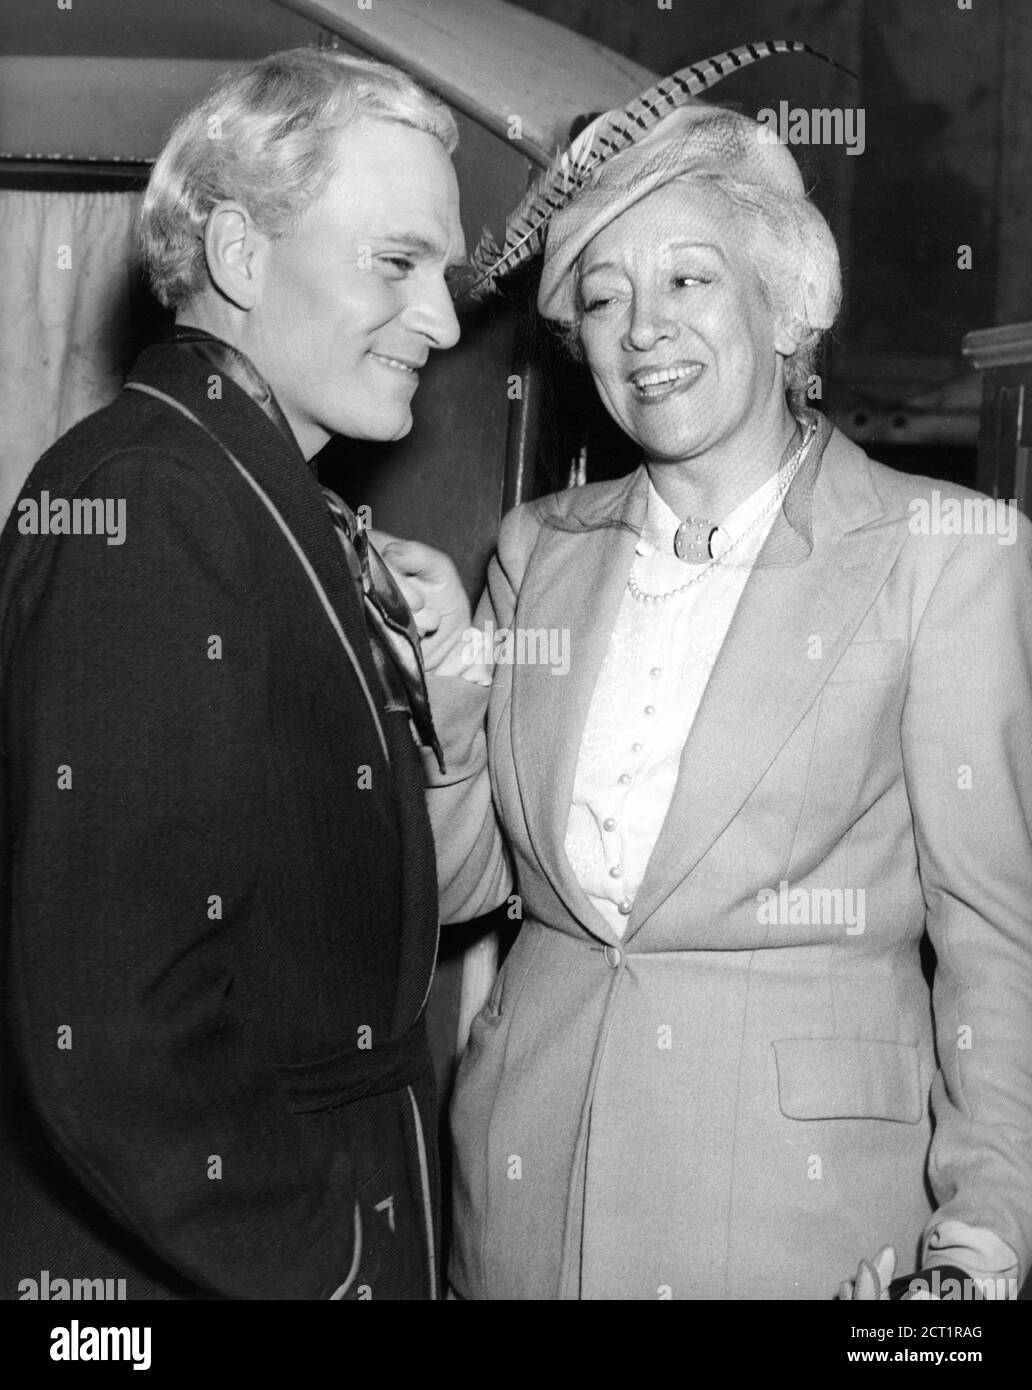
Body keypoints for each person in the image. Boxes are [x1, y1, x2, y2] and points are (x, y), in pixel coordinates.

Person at [442, 93, 1032, 1299]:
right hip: (521, 1198)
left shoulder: (946, 547)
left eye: (689, 281)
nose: (642, 330)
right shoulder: (534, 546)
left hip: (805, 1229)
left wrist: (981, 1241)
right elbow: (465, 887)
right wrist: (447, 693)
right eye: (603, 298)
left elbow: (997, 934)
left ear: (787, 307)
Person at [0, 47, 502, 1302]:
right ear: (237, 253)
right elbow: (118, 1028)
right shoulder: (151, 506)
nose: (443, 319)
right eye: (397, 263)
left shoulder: (245, 488)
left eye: (442, 273)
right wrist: (326, 1260)